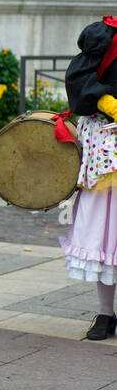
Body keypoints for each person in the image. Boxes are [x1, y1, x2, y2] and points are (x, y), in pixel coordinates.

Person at [60, 18, 117, 340]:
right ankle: (106, 314)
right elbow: (79, 78)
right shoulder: (105, 34)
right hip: (107, 147)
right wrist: (108, 103)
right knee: (105, 232)